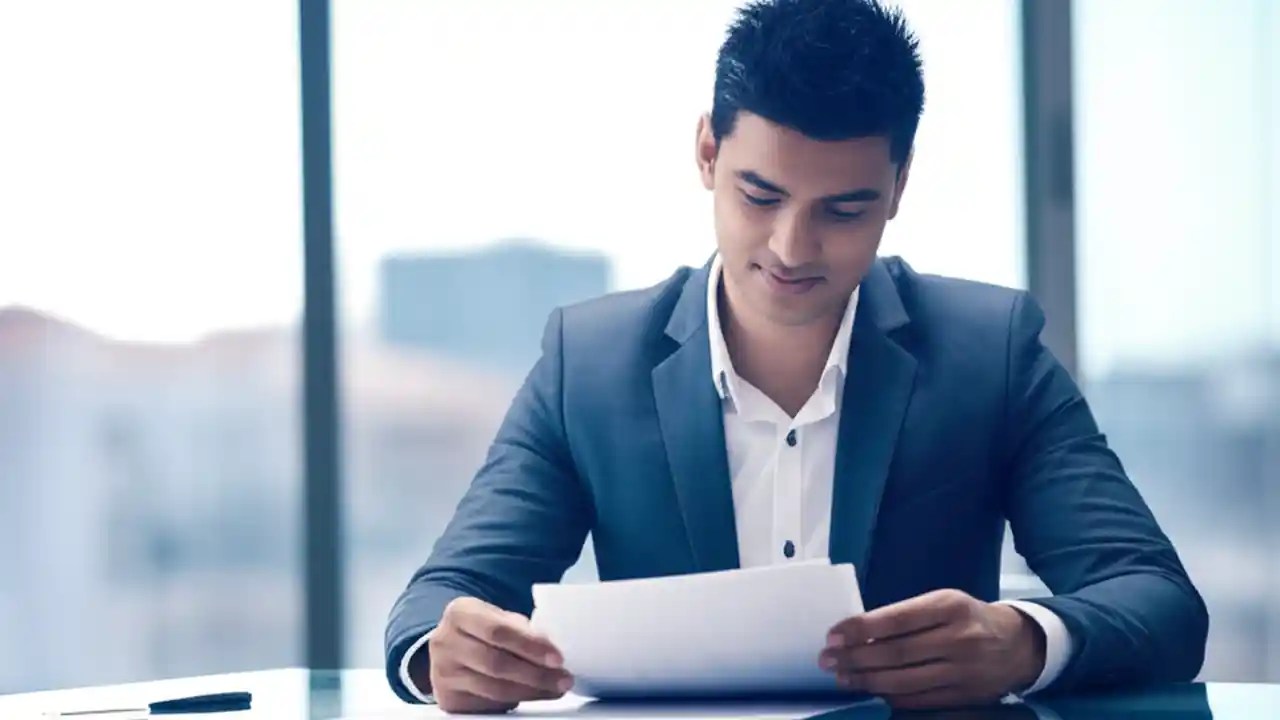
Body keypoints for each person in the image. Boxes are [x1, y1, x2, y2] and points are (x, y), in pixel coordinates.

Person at [384, 0, 1208, 712]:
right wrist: (440, 658)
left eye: (843, 210)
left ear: (899, 186)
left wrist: (1024, 643)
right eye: (761, 195)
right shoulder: (589, 365)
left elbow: (1159, 600)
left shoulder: (989, 352)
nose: (791, 247)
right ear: (707, 153)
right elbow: (437, 602)